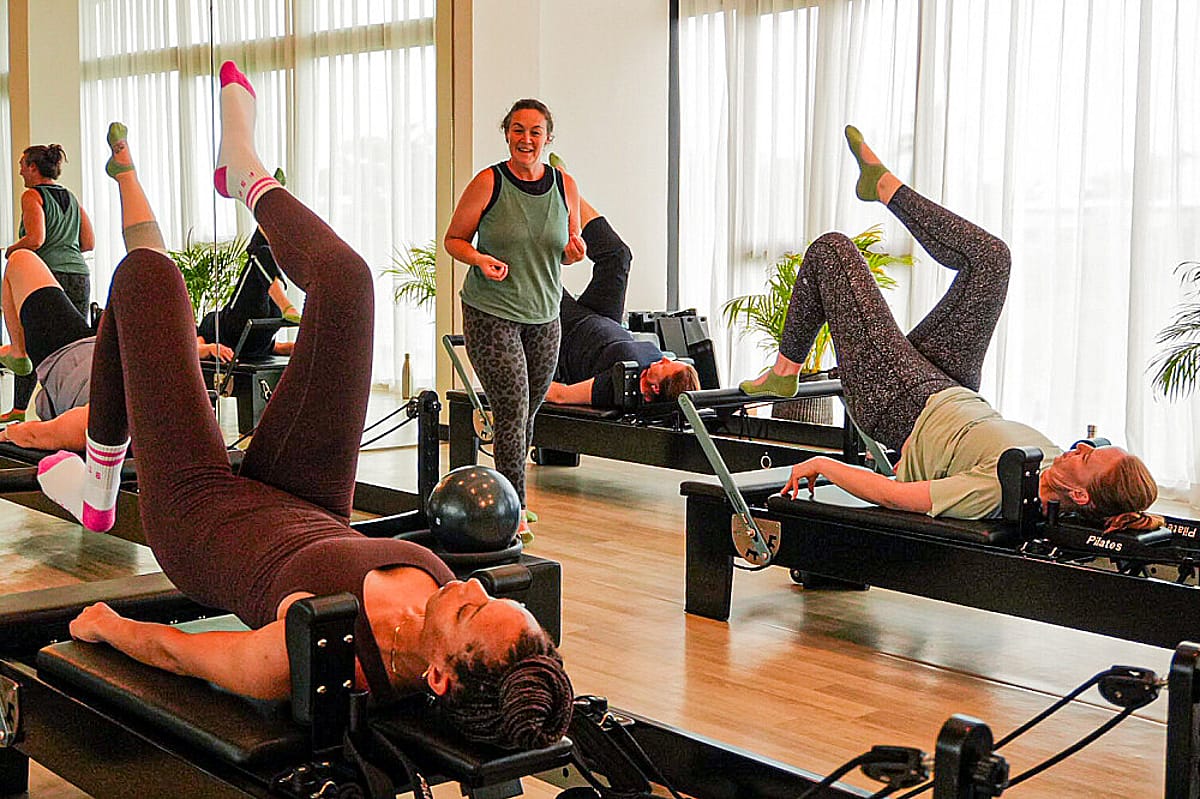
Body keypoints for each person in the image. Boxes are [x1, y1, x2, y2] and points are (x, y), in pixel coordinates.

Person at [36, 63, 572, 751]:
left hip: (202, 517)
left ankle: (100, 487)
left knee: (148, 274)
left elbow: (181, 653)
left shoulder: (317, 653)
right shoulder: (451, 606)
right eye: (492, 598)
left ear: (438, 677)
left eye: (472, 611)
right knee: (348, 283)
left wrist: (105, 626)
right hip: (310, 502)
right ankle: (245, 171)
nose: (472, 590)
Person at [740, 125, 1159, 532]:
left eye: (1087, 458)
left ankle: (785, 371)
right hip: (955, 388)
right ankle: (883, 185)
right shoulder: (1047, 466)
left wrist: (821, 463)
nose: (1082, 446)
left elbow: (895, 496)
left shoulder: (996, 489)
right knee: (991, 260)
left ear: (1080, 494)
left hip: (904, 405)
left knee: (832, 252)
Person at [444, 99, 586, 533]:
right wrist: (480, 259)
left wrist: (574, 251)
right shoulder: (489, 182)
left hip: (545, 315)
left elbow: (567, 248)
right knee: (511, 408)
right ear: (507, 134)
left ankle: (507, 497)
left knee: (528, 413)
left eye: (535, 131)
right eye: (518, 130)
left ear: (548, 138)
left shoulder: (565, 185)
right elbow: (454, 239)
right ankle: (514, 512)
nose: (526, 139)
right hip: (491, 312)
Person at [0, 247, 232, 453]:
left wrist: (11, 433)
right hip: (99, 347)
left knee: (21, 259)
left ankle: (19, 352)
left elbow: (45, 434)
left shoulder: (118, 417)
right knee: (22, 259)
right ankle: (18, 352)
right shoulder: (172, 398)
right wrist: (201, 349)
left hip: (63, 353)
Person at [546, 189, 701, 407]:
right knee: (618, 255)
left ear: (655, 388)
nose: (666, 358)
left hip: (571, 332)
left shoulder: (616, 388)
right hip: (605, 319)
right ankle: (565, 191)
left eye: (668, 366)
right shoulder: (654, 365)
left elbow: (560, 395)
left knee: (540, 276)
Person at [3, 144, 96, 424]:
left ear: (33, 167)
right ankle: (72, 410)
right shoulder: (72, 198)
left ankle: (20, 408)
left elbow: (36, 239)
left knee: (31, 343)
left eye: (22, 165)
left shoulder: (32, 195)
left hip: (47, 275)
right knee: (74, 346)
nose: (20, 171)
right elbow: (88, 242)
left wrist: (11, 250)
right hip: (78, 275)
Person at [196, 222, 301, 360]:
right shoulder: (205, 332)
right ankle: (287, 307)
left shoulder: (259, 343)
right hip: (235, 330)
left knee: (260, 254)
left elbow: (280, 348)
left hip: (263, 325)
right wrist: (211, 348)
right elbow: (194, 350)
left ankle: (267, 218)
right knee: (259, 254)